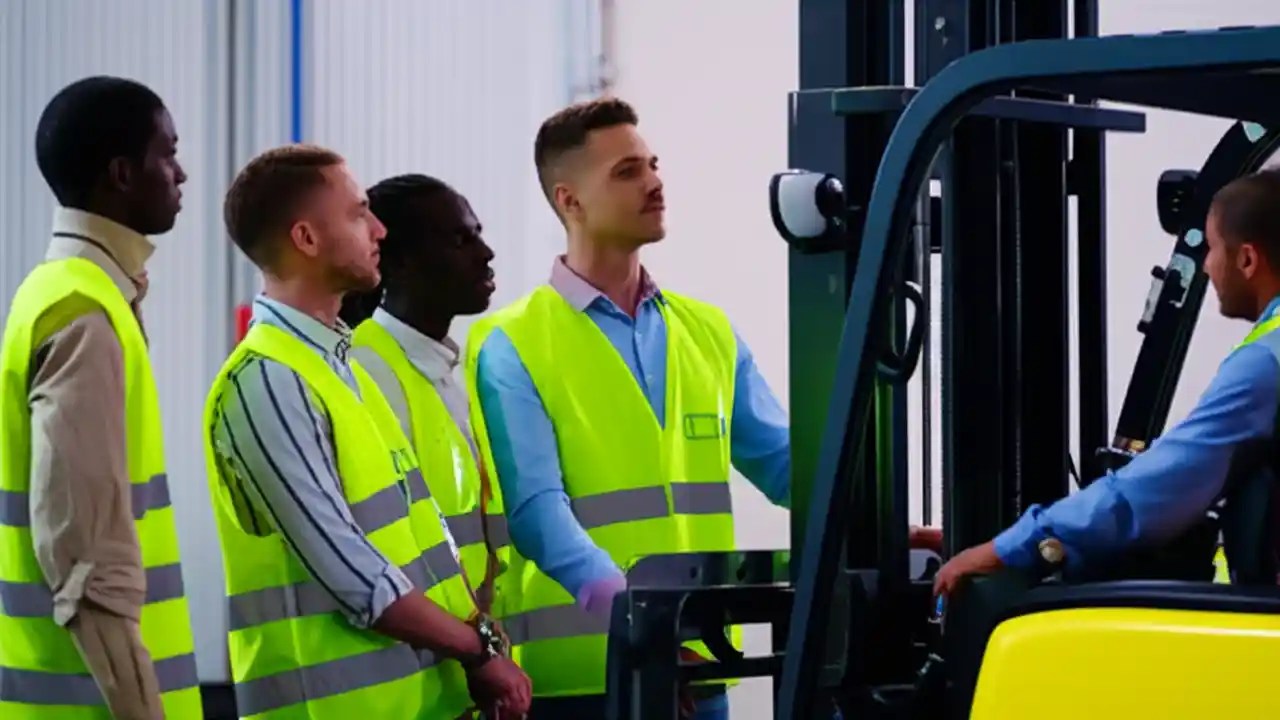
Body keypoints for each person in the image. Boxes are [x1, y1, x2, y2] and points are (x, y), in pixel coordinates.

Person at [204, 144, 530, 719]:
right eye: (358, 214)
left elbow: (425, 538)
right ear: (306, 239)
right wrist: (476, 650)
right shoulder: (268, 381)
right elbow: (353, 573)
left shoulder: (342, 368)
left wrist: (477, 629)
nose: (379, 229)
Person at [934, 168, 1280, 597]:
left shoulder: (1267, 361)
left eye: (1211, 249)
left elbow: (1157, 489)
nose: (1207, 266)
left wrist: (1012, 547)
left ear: (1247, 259)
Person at [0, 76, 203, 720]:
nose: (182, 173)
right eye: (167, 154)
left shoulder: (71, 292)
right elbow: (86, 560)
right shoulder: (84, 309)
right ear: (121, 173)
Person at [342, 173, 509, 619]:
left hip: (466, 658)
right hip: (424, 652)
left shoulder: (449, 373)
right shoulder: (364, 369)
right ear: (396, 263)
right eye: (460, 240)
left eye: (478, 235)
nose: (485, 254)